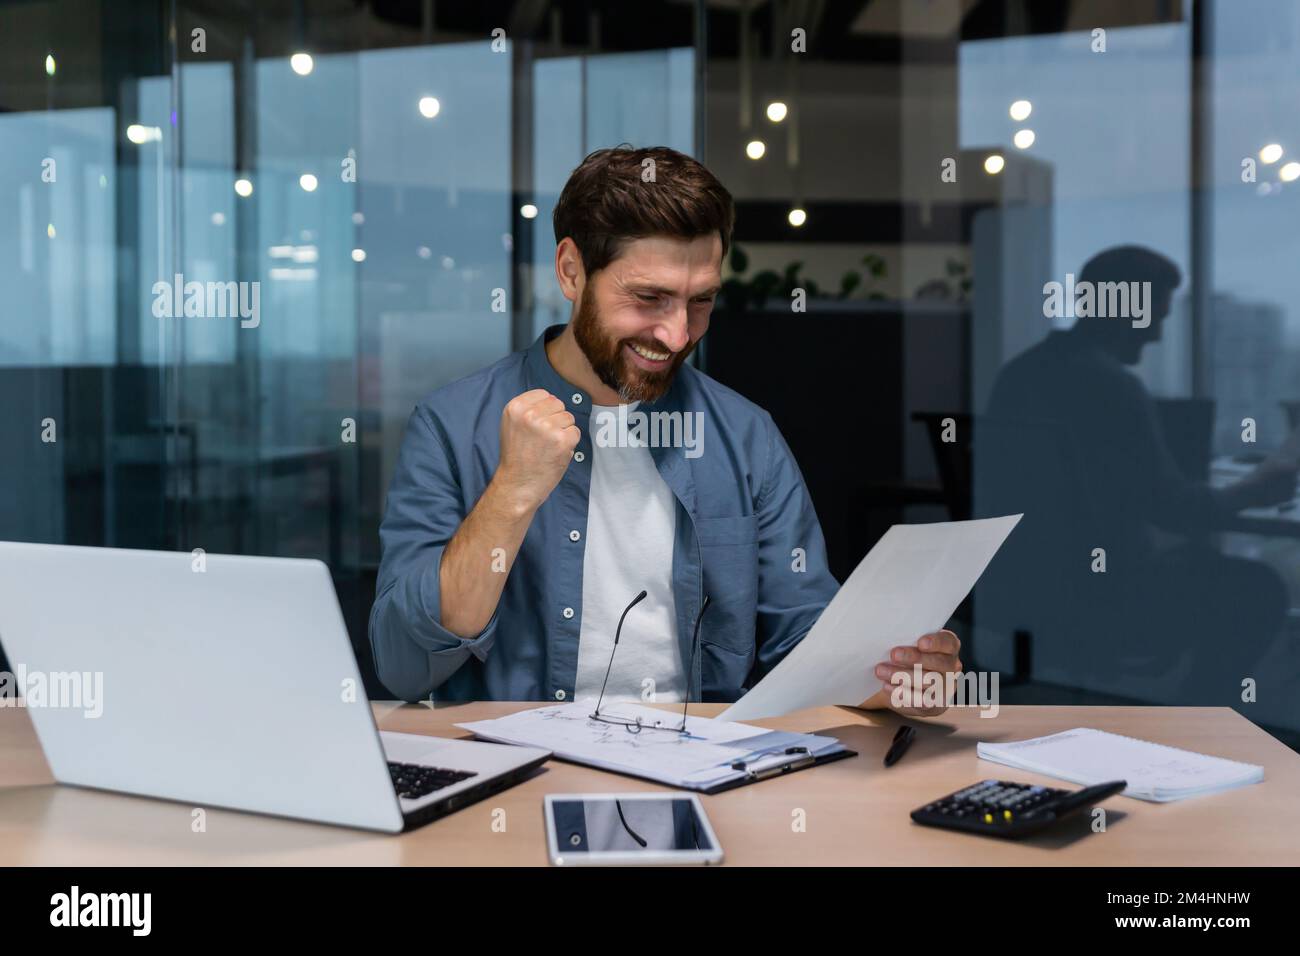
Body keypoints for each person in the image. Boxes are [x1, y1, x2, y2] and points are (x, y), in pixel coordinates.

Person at [369, 145, 961, 713]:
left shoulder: (745, 436)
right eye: (649, 297)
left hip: (699, 773)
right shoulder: (451, 426)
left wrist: (889, 680)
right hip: (518, 775)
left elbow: (804, 640)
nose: (678, 335)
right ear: (571, 271)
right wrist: (511, 494)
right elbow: (404, 663)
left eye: (700, 301)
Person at [984, 245, 1296, 697]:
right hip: (1104, 598)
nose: (1155, 336)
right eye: (1154, 317)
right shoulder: (1111, 385)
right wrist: (1254, 489)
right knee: (1259, 588)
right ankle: (1196, 724)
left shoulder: (1020, 373)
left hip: (1021, 590)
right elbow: (1173, 507)